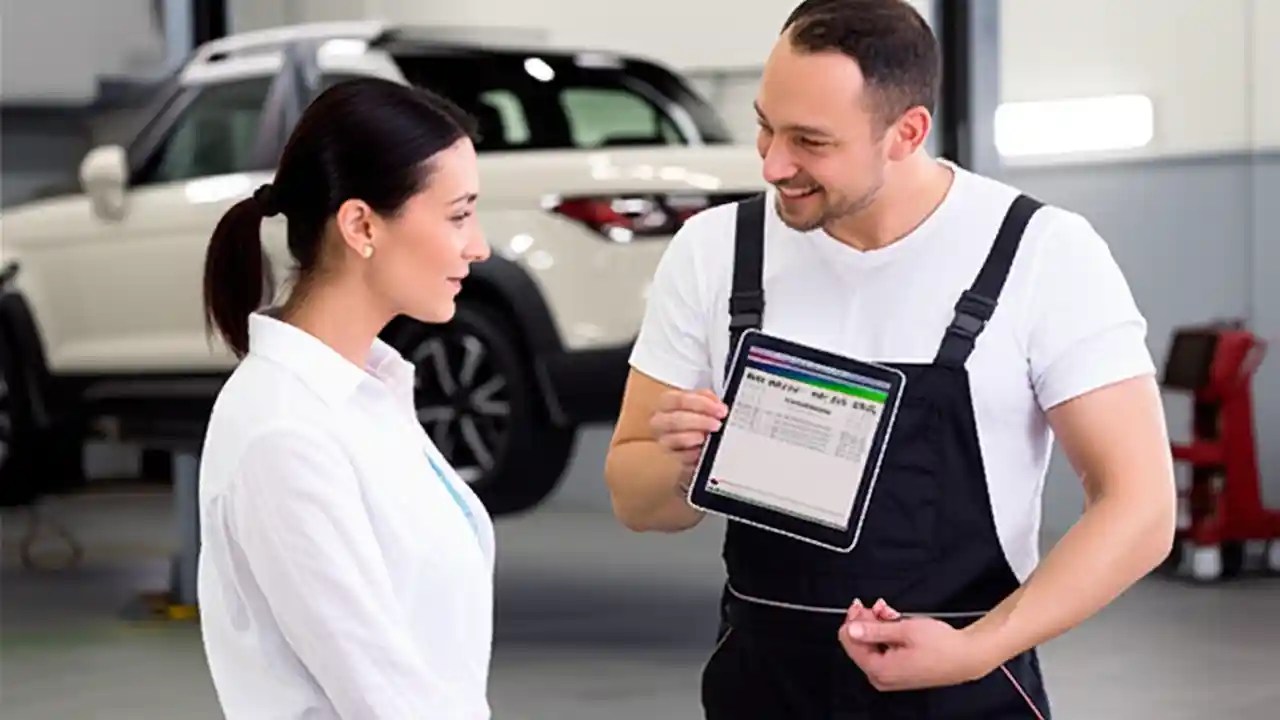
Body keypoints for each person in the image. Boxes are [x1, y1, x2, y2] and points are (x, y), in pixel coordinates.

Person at [603, 0, 1177, 717]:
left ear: (907, 132)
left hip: (968, 687)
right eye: (764, 125)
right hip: (763, 687)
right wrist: (686, 464)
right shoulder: (715, 251)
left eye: (810, 141)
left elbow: (1141, 508)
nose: (774, 162)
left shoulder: (1041, 253)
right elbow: (634, 496)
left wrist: (978, 649)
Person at [195, 78, 495, 719]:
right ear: (361, 224)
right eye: (459, 215)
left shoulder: (369, 391)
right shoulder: (285, 433)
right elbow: (383, 697)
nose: (479, 246)